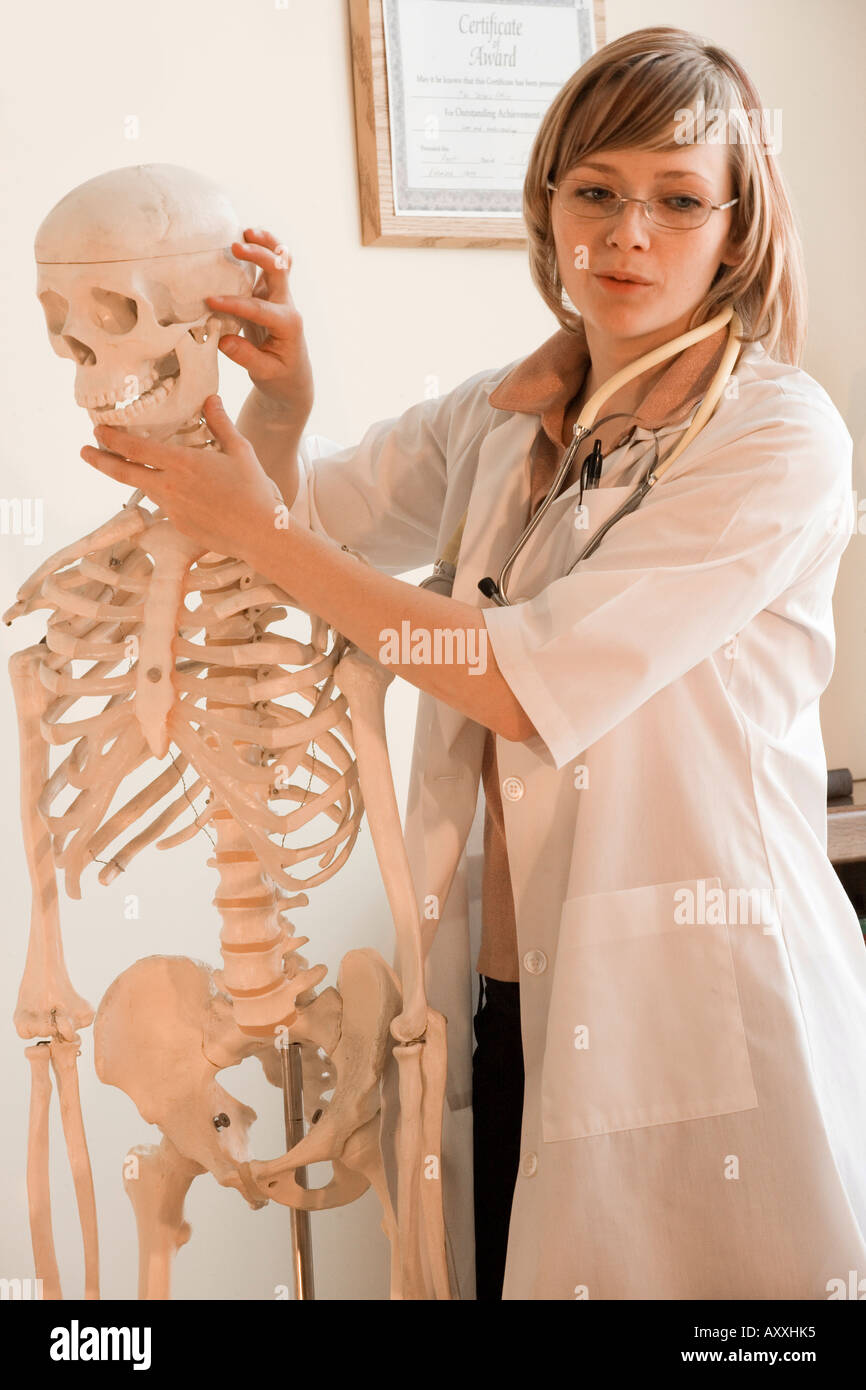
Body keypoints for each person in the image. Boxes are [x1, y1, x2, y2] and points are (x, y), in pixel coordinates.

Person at [82, 25, 866, 1301]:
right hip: (499, 996)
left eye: (676, 202)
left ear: (734, 232)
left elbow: (516, 677)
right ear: (546, 202)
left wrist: (261, 527)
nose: (625, 236)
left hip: (688, 993)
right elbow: (308, 522)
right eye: (594, 192)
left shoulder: (776, 438)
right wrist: (279, 405)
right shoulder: (500, 416)